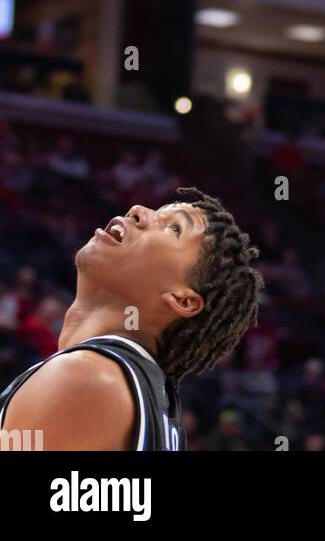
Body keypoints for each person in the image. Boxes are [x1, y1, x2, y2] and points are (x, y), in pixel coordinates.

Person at [0, 187, 262, 450]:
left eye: (174, 229)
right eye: (158, 212)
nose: (138, 211)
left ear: (183, 299)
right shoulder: (148, 399)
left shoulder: (89, 377)